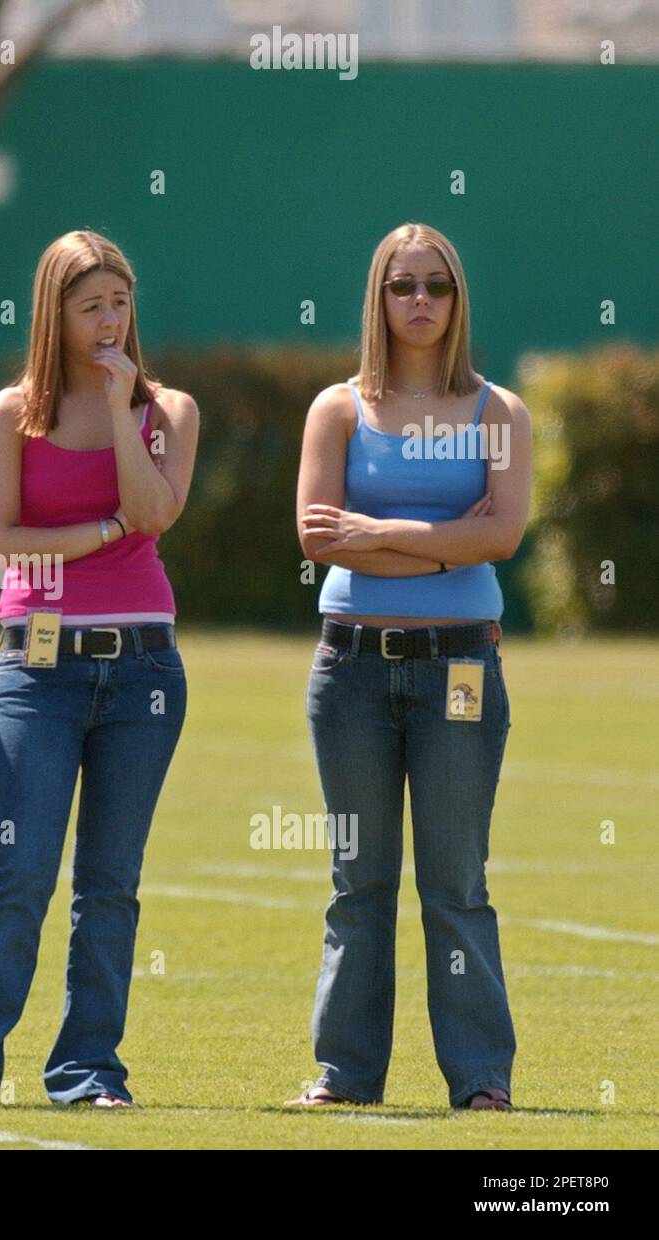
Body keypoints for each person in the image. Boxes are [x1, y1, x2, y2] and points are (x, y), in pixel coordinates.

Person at [0, 230, 199, 1108]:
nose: (110, 320)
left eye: (120, 302)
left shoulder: (169, 411)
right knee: (21, 870)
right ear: (54, 314)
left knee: (109, 883)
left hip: (144, 671)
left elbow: (155, 513)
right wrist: (104, 533)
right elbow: (1, 538)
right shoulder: (9, 414)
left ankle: (88, 1071)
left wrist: (121, 413)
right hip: (38, 671)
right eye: (91, 307)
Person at [291, 222, 531, 1111]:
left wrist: (378, 533)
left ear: (457, 300)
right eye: (403, 287)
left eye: (436, 286)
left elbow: (501, 534)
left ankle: (480, 1079)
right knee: (359, 885)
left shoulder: (499, 413)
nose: (420, 302)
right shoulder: (338, 408)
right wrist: (445, 544)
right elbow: (318, 537)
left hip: (461, 672)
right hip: (350, 669)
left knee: (456, 885)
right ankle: (347, 1077)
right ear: (379, 299)